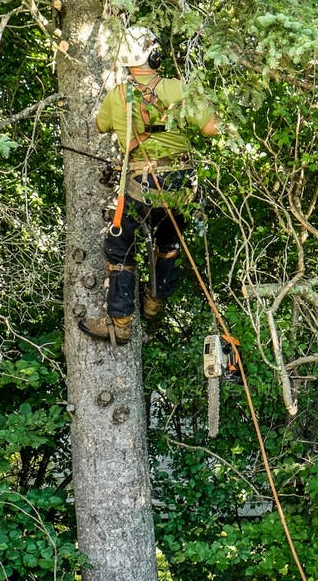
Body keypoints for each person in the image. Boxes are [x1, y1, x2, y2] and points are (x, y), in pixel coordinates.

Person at [79, 26, 218, 344]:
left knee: (120, 247)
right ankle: (155, 301)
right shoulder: (177, 88)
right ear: (154, 55)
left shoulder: (117, 94)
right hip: (183, 185)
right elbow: (210, 128)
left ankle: (121, 322)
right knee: (168, 240)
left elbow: (100, 126)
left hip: (142, 184)